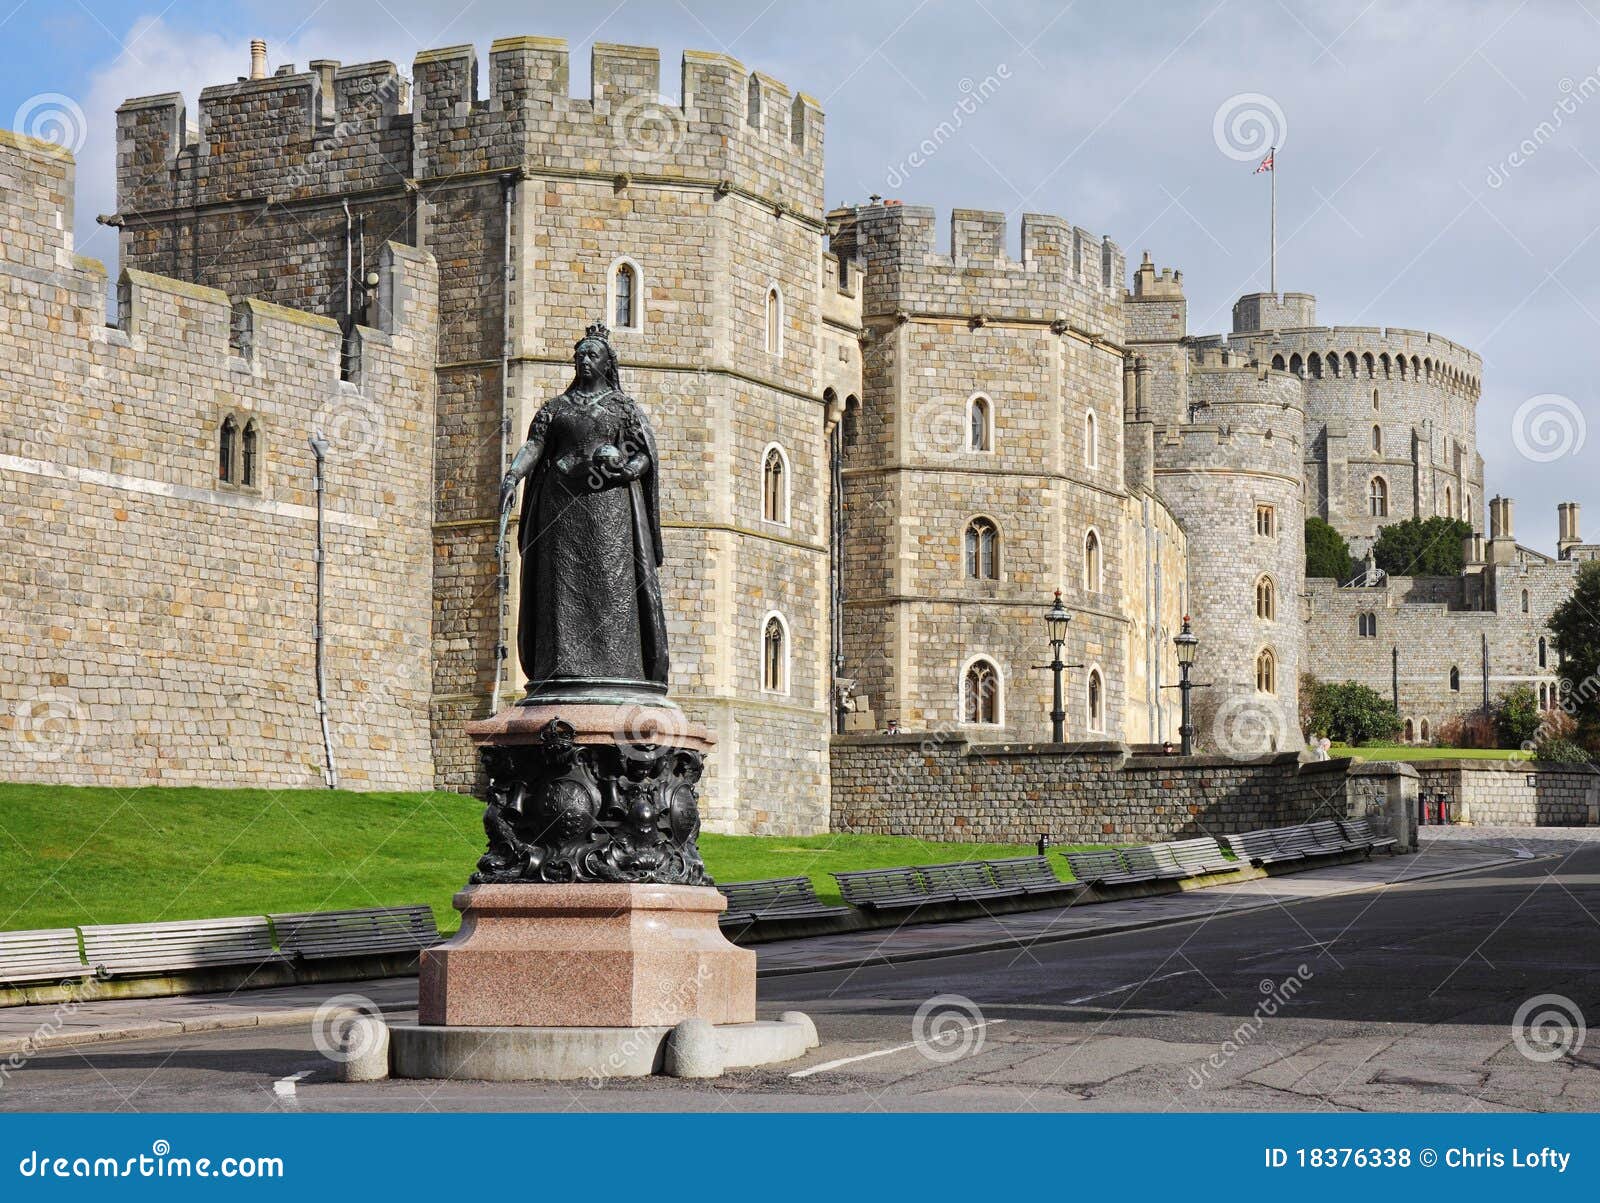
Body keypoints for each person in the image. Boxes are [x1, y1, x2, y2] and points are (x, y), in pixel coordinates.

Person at [498, 322, 669, 703]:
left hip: (609, 511)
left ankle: (617, 669)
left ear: (607, 363)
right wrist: (512, 475)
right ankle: (560, 668)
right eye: (580, 356)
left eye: (592, 355)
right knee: (559, 590)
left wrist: (627, 469)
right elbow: (534, 446)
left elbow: (643, 454)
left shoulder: (622, 408)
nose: (584, 361)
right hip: (559, 511)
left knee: (612, 587)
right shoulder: (555, 408)